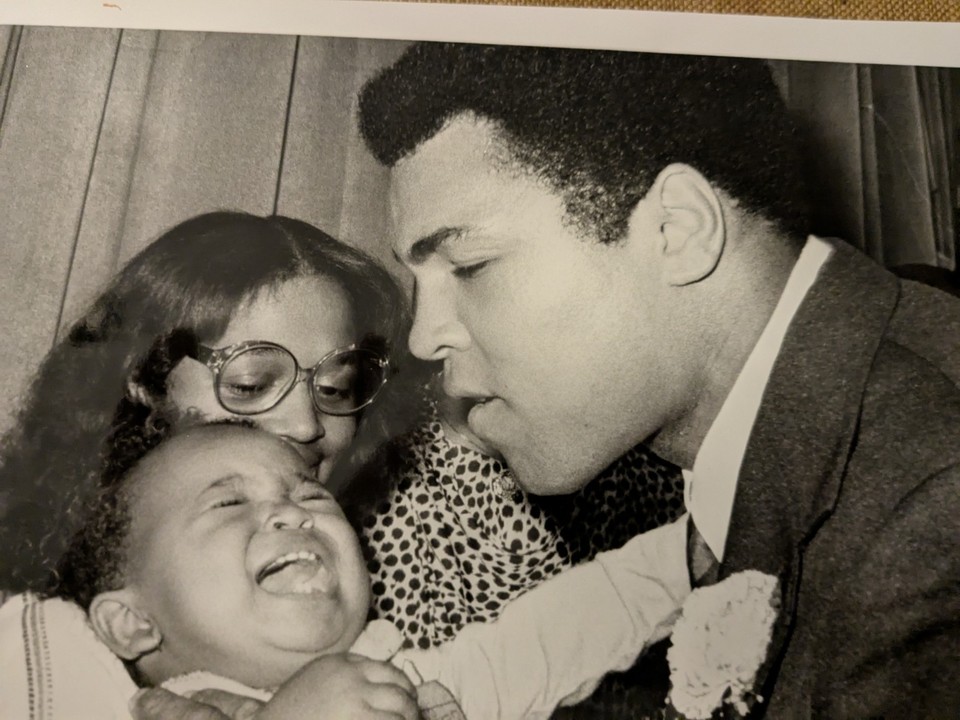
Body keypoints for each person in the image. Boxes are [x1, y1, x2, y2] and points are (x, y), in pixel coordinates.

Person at [347, 43, 960, 718]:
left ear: (679, 229)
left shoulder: (929, 506)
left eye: (470, 265)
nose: (422, 336)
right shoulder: (803, 440)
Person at [2, 421, 690, 720]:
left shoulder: (401, 678)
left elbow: (550, 637)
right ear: (129, 621)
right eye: (229, 502)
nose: (291, 514)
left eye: (310, 495)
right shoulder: (98, 696)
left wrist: (683, 557)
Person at [0, 210, 407, 594]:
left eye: (334, 389)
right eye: (250, 385)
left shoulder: (370, 564)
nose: (305, 426)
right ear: (144, 381)